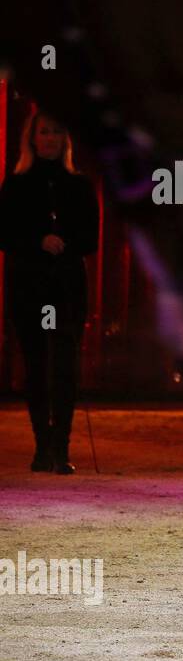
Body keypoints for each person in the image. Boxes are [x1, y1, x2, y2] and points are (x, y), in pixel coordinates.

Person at [0, 110, 99, 473]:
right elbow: (4, 234)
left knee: (65, 368)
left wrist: (64, 243)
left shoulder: (80, 185)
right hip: (29, 285)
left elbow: (91, 238)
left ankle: (62, 449)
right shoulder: (15, 185)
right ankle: (42, 446)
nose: (50, 139)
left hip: (67, 287)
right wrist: (37, 240)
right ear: (32, 138)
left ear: (65, 140)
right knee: (37, 366)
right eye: (44, 132)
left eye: (57, 132)